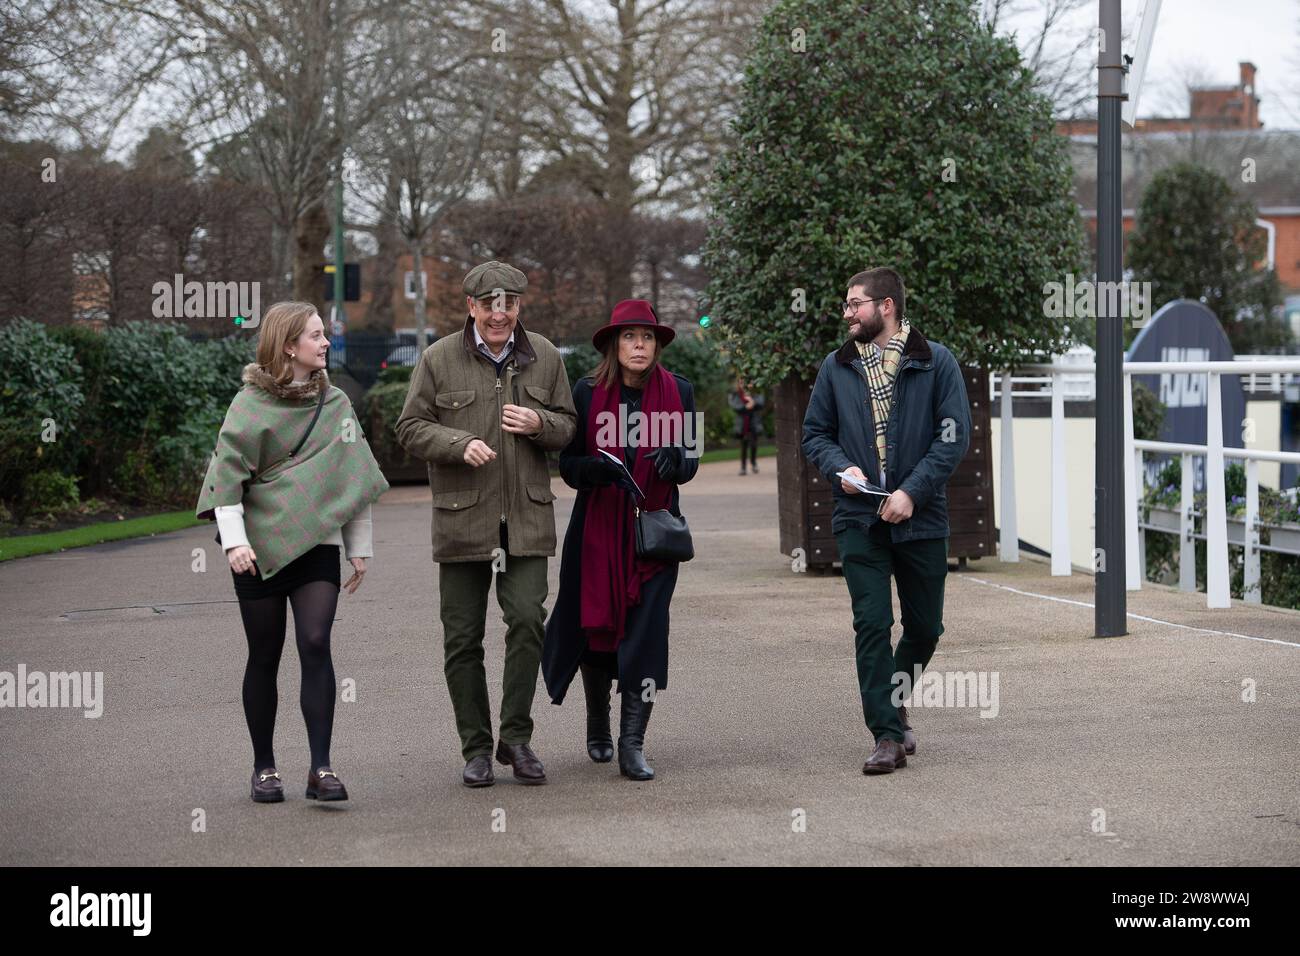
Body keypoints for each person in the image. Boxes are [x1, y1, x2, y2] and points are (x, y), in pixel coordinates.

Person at [196, 301, 390, 803]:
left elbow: (354, 479)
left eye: (324, 335)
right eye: (316, 335)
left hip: (317, 546)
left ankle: (321, 768)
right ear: (288, 346)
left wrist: (358, 549)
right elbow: (226, 479)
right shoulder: (248, 405)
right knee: (264, 654)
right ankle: (264, 768)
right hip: (257, 549)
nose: (326, 343)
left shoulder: (337, 405)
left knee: (315, 642)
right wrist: (235, 543)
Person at [395, 260, 577, 788]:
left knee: (526, 620)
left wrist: (541, 423)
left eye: (510, 305)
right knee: (463, 639)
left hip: (525, 517)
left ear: (519, 306)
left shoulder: (543, 356)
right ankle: (475, 748)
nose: (500, 315)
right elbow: (410, 426)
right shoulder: (437, 358)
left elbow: (569, 426)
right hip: (463, 519)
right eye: (489, 305)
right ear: (471, 307)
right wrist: (456, 443)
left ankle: (515, 737)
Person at [801, 267, 970, 775]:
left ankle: (894, 700)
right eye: (847, 304)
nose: (848, 312)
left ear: (887, 306)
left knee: (925, 628)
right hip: (859, 517)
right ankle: (886, 735)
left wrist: (912, 493)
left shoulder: (935, 362)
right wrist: (839, 468)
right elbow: (814, 435)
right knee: (871, 624)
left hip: (921, 519)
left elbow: (952, 438)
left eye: (856, 303)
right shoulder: (836, 367)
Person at [542, 299, 698, 782]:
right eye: (629, 337)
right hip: (596, 531)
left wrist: (677, 462)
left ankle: (634, 743)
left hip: (655, 536)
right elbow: (567, 466)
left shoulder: (680, 392)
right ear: (614, 344)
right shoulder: (587, 393)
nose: (639, 345)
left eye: (647, 337)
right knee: (597, 627)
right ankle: (597, 725)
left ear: (656, 345)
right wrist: (593, 468)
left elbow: (689, 464)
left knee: (647, 635)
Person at [729, 376, 765, 475]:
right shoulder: (736, 394)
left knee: (753, 444)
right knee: (744, 444)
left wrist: (753, 402)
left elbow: (761, 403)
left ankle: (753, 463)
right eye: (741, 383)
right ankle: (743, 467)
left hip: (754, 421)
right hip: (742, 423)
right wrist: (746, 406)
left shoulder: (755, 392)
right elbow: (735, 406)